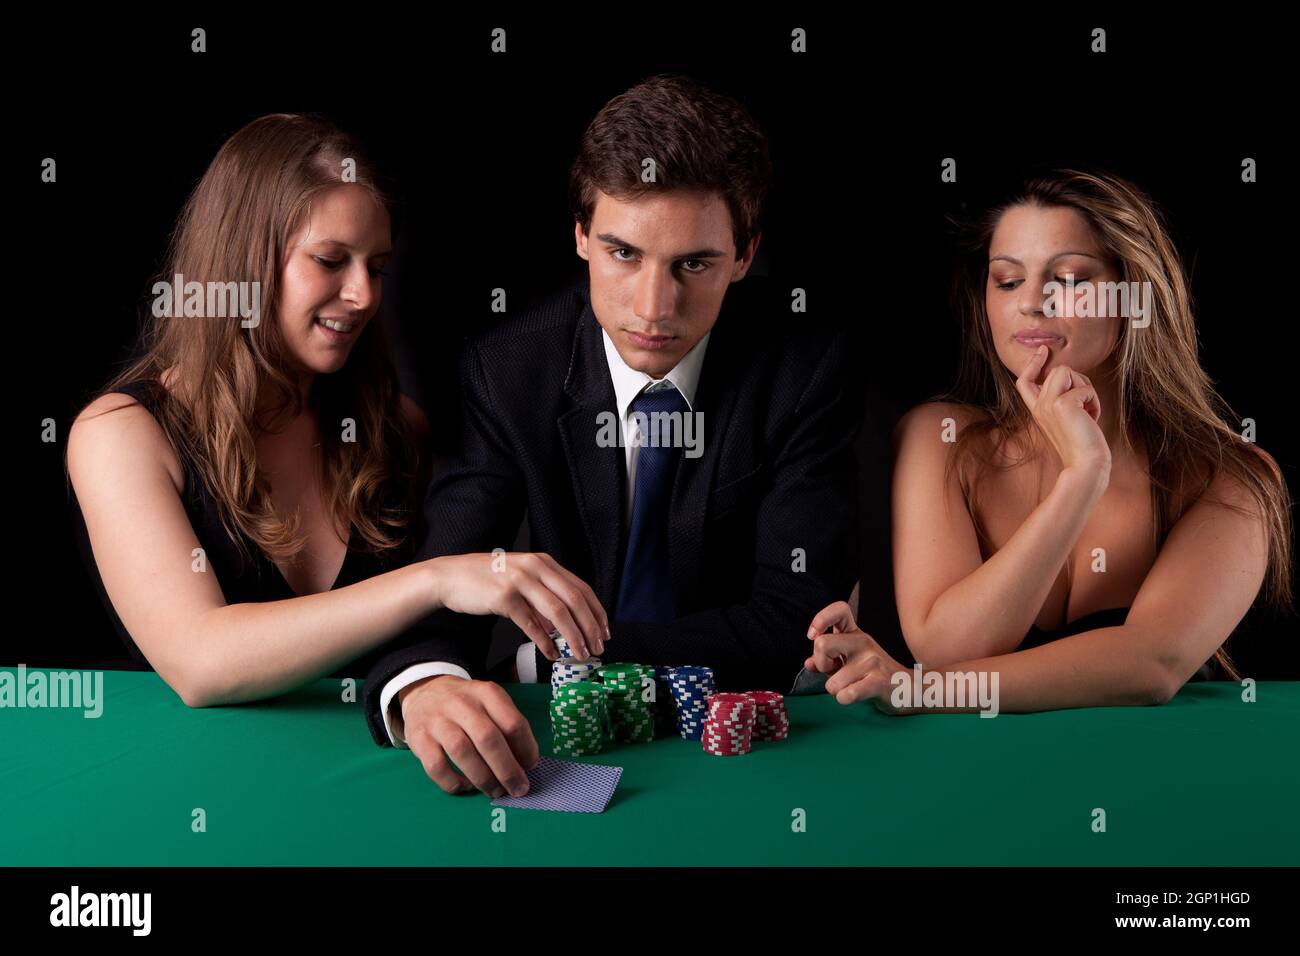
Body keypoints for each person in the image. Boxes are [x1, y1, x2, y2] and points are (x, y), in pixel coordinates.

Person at [368, 74, 859, 798]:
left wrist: (554, 661)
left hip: (760, 768)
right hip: (582, 754)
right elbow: (447, 576)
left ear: (746, 255)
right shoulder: (510, 371)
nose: (653, 308)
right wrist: (429, 687)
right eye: (623, 253)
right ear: (579, 236)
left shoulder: (804, 371)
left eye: (694, 264)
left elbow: (795, 621)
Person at [67, 113, 603, 712]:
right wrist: (436, 579)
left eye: (375, 267)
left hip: (373, 784)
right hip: (198, 787)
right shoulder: (120, 435)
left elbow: (425, 654)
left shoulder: (395, 430)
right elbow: (201, 663)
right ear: (242, 263)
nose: (364, 295)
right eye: (329, 260)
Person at [805, 168, 1292, 713]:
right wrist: (1080, 480)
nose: (1032, 303)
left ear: (1134, 298)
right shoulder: (939, 439)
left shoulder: (1228, 474)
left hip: (1154, 779)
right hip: (980, 785)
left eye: (1071, 279)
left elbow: (1152, 666)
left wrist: (915, 689)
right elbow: (951, 650)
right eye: (1008, 281)